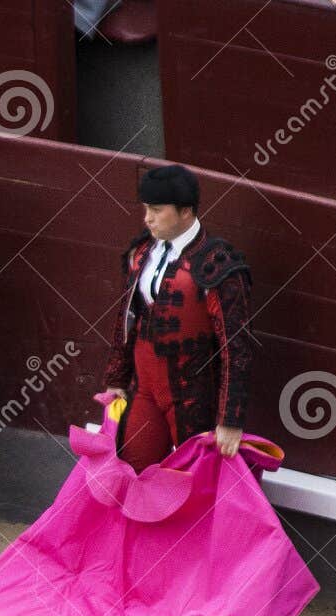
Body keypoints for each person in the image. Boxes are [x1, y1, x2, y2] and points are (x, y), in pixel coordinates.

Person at [99, 164, 255, 473]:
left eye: (156, 210)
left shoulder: (217, 265)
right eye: (146, 209)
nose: (148, 218)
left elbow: (236, 347)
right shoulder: (142, 251)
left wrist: (230, 419)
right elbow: (127, 317)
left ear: (186, 212)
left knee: (194, 483)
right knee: (131, 470)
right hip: (145, 387)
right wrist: (117, 379)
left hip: (193, 395)